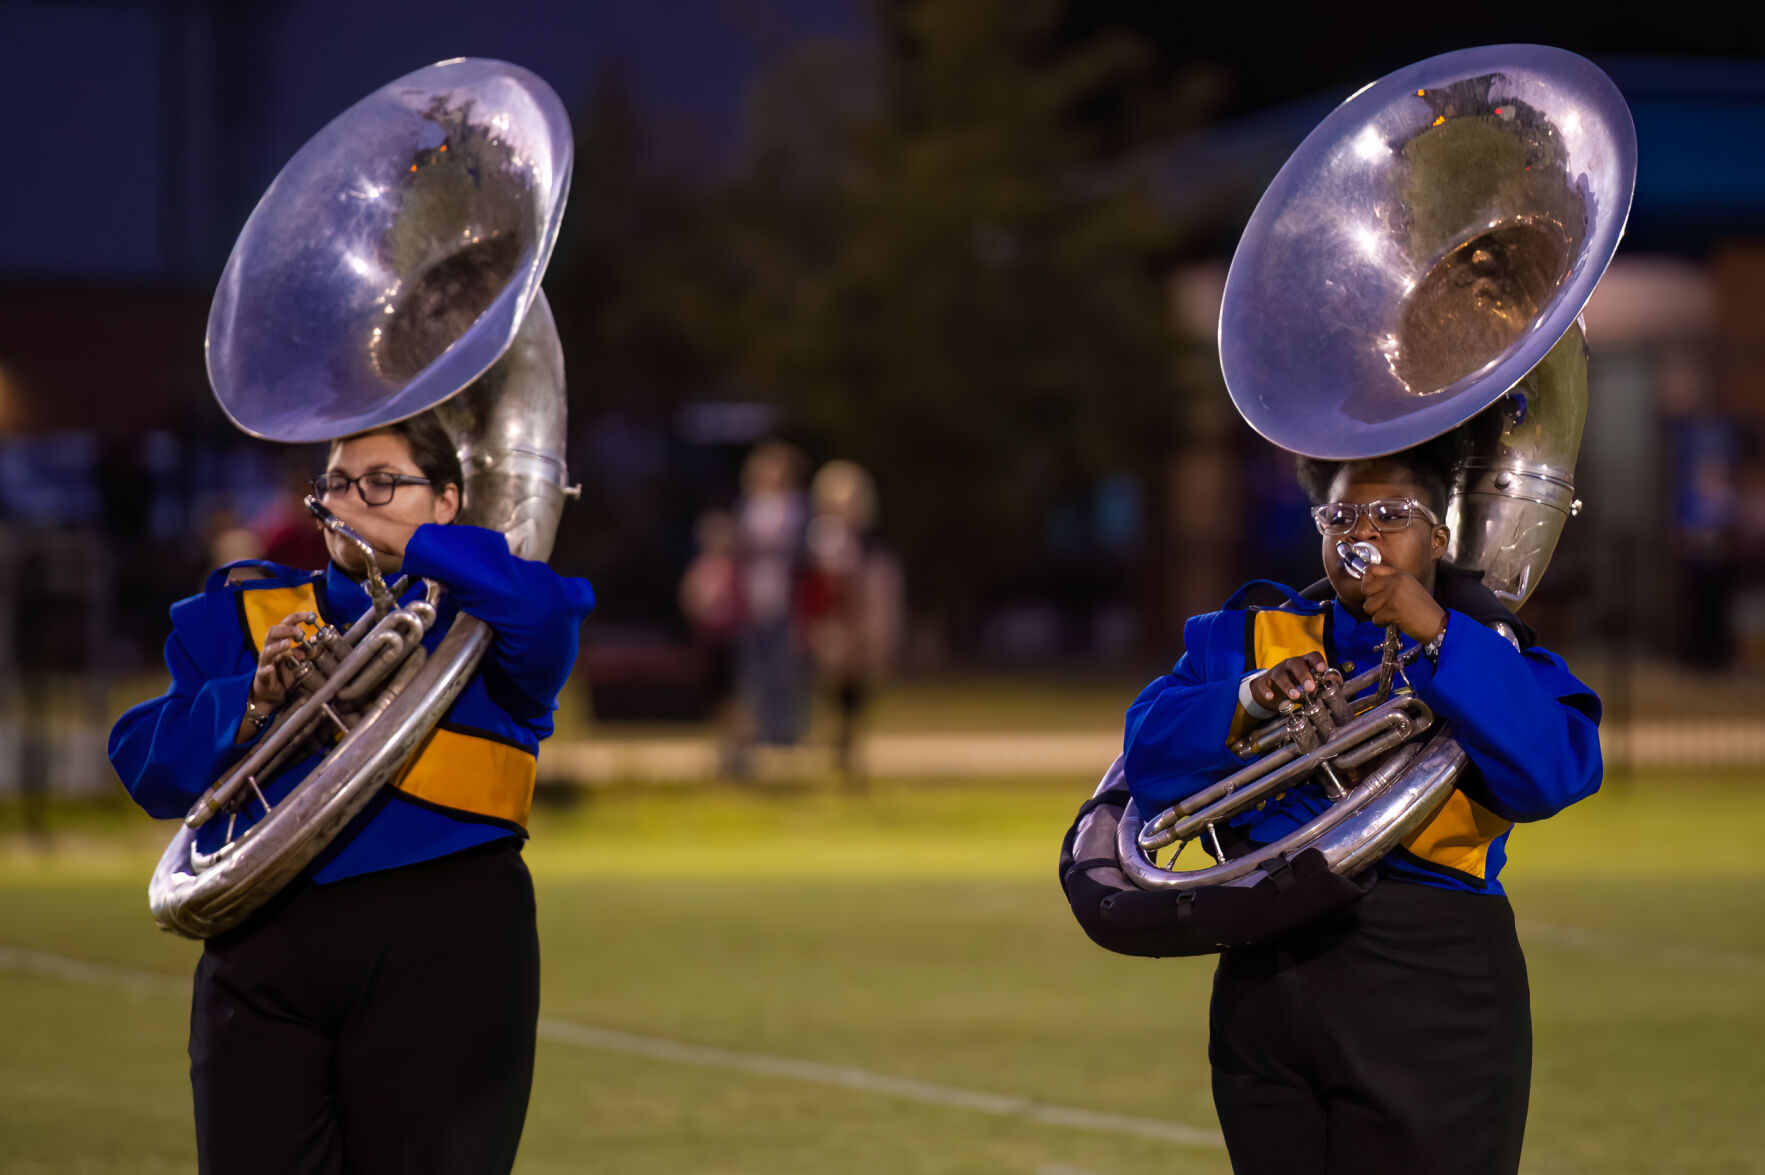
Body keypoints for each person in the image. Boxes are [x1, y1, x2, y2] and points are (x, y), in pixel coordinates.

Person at [109, 412, 594, 1174]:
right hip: (263, 948)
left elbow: (553, 609)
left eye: (380, 483)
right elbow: (144, 762)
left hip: (449, 947)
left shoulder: (483, 623)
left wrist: (418, 547)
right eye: (334, 483)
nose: (348, 502)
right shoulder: (247, 611)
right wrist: (254, 698)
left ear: (444, 501)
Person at [1120, 438, 1602, 1175]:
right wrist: (1248, 700)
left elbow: (1557, 770)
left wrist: (1438, 633)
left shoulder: (1488, 649)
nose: (1360, 535)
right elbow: (1145, 760)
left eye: (1388, 515)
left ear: (1438, 536)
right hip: (1266, 966)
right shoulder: (1248, 637)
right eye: (1339, 515)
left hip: (1426, 979)